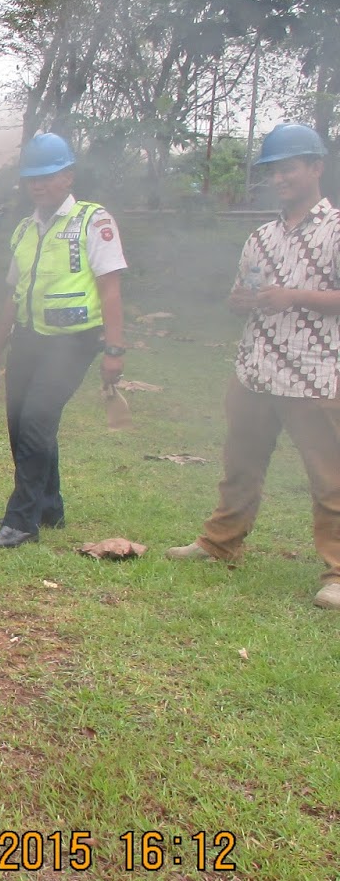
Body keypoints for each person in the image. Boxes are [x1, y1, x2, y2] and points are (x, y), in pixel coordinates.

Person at [167, 124, 340, 609]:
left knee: (330, 478)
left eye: (289, 167)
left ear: (315, 167)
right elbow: (240, 295)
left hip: (315, 372)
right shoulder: (260, 238)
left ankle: (338, 572)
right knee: (240, 464)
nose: (280, 177)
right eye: (273, 170)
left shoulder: (336, 229)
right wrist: (240, 302)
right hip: (256, 368)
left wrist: (294, 296)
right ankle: (220, 543)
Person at [0, 133, 127, 548]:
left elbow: (110, 288)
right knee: (20, 422)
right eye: (31, 178)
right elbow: (14, 292)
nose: (38, 185)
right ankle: (48, 506)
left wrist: (114, 349)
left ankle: (22, 521)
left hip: (72, 341)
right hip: (28, 339)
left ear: (67, 176)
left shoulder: (92, 221)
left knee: (36, 421)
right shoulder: (26, 229)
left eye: (47, 176)